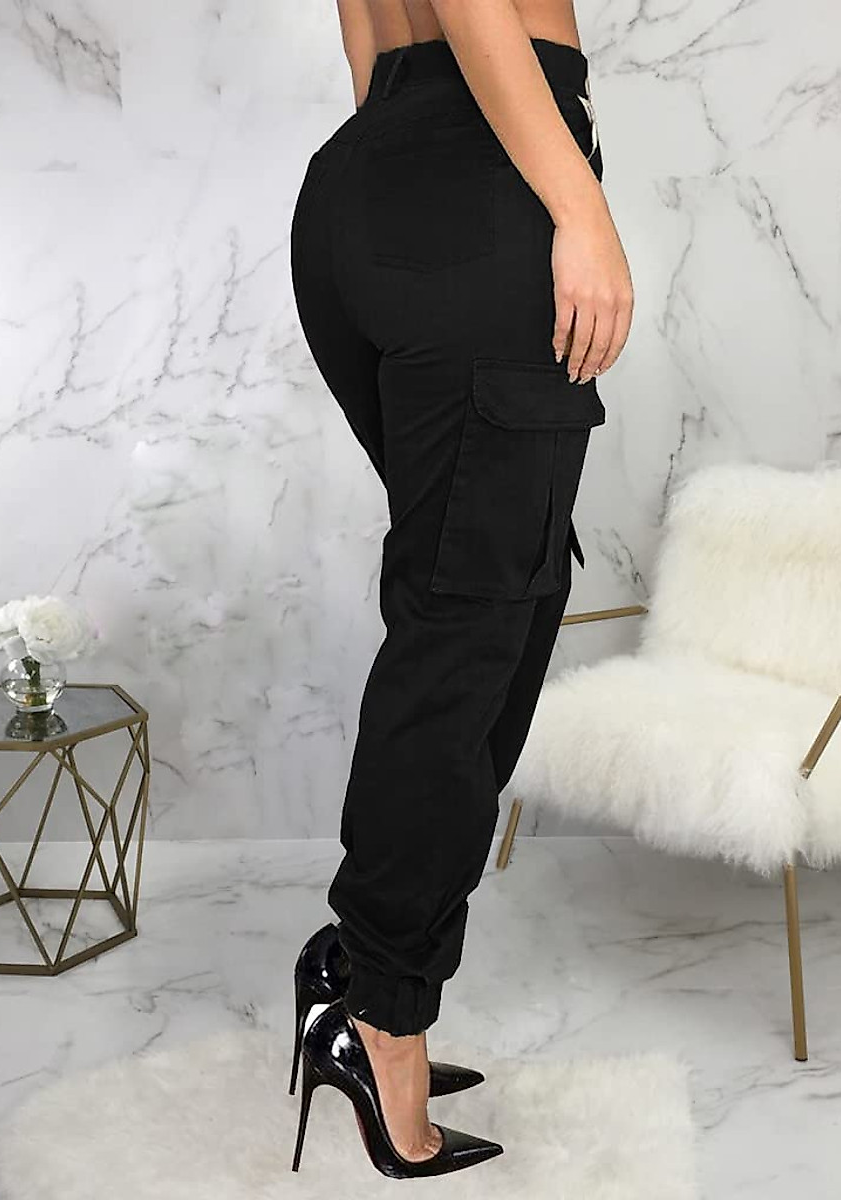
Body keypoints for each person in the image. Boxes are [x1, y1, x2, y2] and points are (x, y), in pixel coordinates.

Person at [287, 0, 634, 1179]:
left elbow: (371, 48)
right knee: (469, 633)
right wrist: (580, 211)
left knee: (471, 606)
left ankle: (364, 969)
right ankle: (379, 1012)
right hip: (481, 189)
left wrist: (412, 191)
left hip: (372, 185)